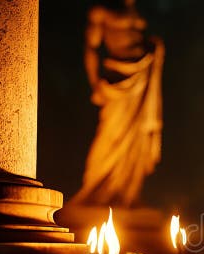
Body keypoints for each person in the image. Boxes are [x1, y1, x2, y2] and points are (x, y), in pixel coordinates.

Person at [72, 0, 164, 207]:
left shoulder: (138, 11)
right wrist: (95, 84)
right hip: (117, 80)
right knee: (111, 135)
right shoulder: (102, 11)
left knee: (137, 135)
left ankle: (126, 193)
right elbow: (91, 48)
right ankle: (96, 188)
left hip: (142, 74)